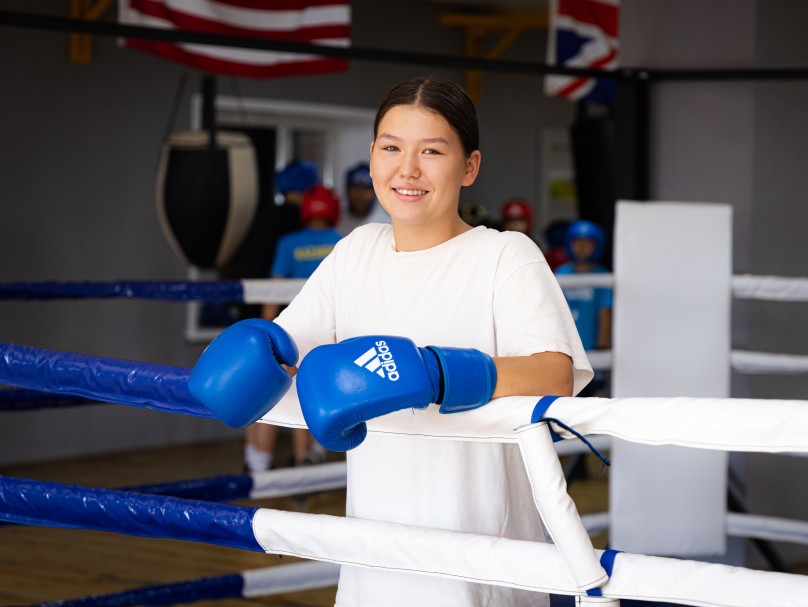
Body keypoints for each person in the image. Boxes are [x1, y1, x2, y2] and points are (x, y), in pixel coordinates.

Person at [189, 76, 592, 607]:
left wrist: (434, 374)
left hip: (481, 553)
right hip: (376, 545)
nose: (408, 170)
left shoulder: (505, 255)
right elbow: (282, 346)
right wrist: (249, 357)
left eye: (432, 151)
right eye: (391, 148)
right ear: (373, 155)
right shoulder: (357, 251)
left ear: (469, 166)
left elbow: (553, 373)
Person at [244, 183, 343, 475]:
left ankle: (258, 467)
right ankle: (306, 460)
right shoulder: (341, 242)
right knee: (313, 392)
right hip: (331, 331)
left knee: (272, 396)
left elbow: (274, 289)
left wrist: (266, 329)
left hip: (293, 329)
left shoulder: (289, 242)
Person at [555, 219, 613, 397]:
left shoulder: (603, 276)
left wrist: (601, 348)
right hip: (565, 349)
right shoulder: (560, 273)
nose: (581, 248)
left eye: (587, 243)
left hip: (591, 349)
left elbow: (605, 314)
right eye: (577, 242)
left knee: (590, 401)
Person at [335, 161, 391, 235]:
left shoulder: (386, 225)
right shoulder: (336, 221)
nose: (360, 193)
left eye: (366, 188)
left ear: (375, 191)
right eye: (356, 187)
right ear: (347, 190)